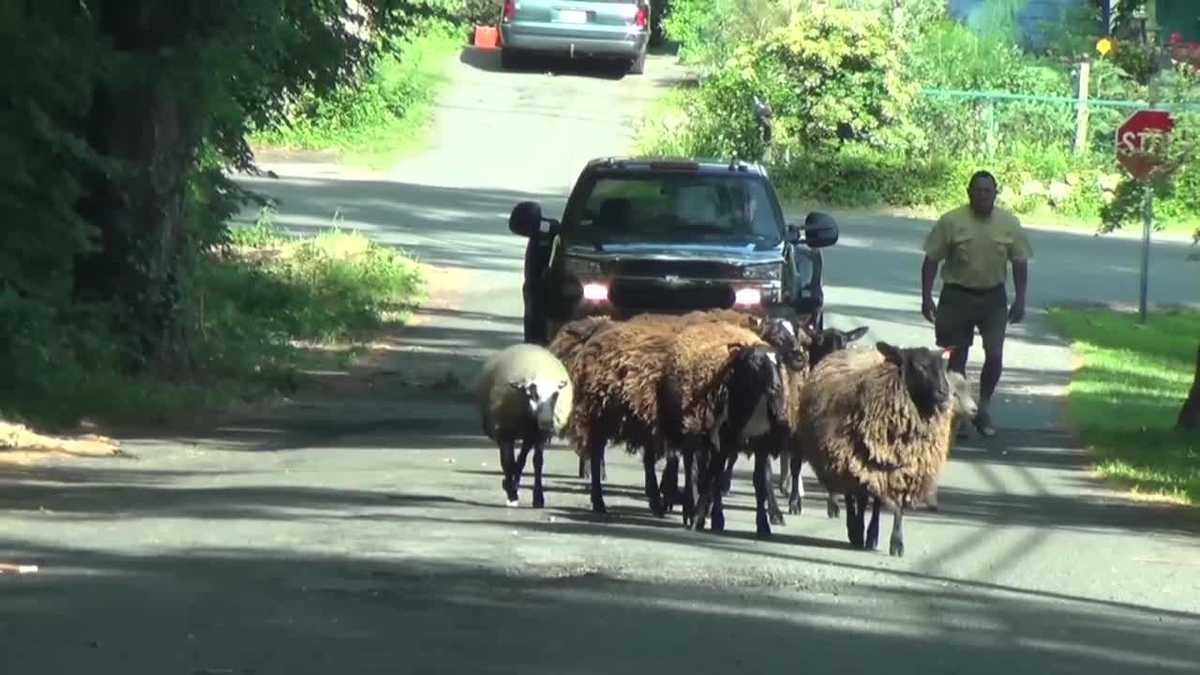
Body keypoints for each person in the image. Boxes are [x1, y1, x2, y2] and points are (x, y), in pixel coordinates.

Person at [920, 171, 1033, 437]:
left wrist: (1021, 299)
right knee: (957, 357)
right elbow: (931, 260)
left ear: (995, 194)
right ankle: (958, 414)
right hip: (957, 296)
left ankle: (983, 407)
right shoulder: (951, 221)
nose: (982, 195)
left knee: (994, 355)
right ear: (969, 192)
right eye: (978, 190)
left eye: (988, 191)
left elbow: (1019, 262)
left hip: (993, 297)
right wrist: (926, 297)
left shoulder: (1008, 223)